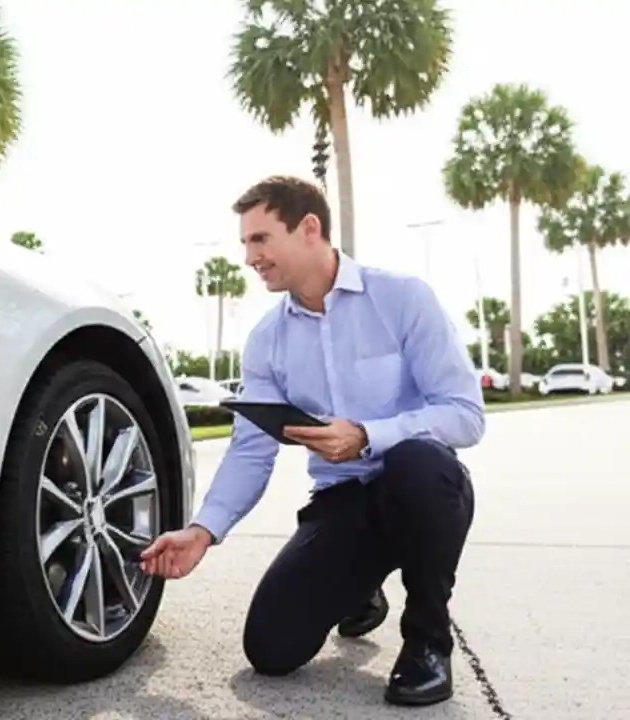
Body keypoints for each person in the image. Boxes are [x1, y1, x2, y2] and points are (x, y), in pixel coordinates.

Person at [141, 175, 484, 707]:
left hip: (422, 490)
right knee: (271, 649)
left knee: (417, 463)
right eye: (245, 243)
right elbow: (250, 452)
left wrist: (368, 436)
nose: (251, 257)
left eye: (260, 239)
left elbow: (465, 415)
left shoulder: (401, 298)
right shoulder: (266, 341)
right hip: (342, 503)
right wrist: (202, 531)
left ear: (308, 228)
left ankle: (428, 644)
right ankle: (361, 584)